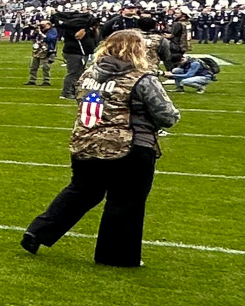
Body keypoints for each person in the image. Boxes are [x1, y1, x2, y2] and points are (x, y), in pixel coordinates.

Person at [22, 29, 181, 267]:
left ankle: (39, 231)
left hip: (84, 141)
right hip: (128, 146)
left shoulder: (88, 74)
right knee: (126, 200)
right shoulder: (142, 78)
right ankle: (116, 256)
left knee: (82, 191)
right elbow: (167, 116)